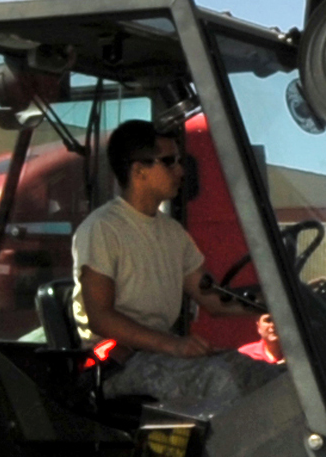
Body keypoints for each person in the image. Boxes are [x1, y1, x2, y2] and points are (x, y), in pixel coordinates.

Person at [72, 119, 277, 422]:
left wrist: (275, 303)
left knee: (267, 376)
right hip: (115, 363)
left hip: (159, 354)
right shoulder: (102, 229)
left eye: (180, 161)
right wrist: (174, 345)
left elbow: (212, 299)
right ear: (138, 170)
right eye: (169, 162)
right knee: (221, 381)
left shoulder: (172, 233)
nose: (181, 170)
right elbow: (100, 317)